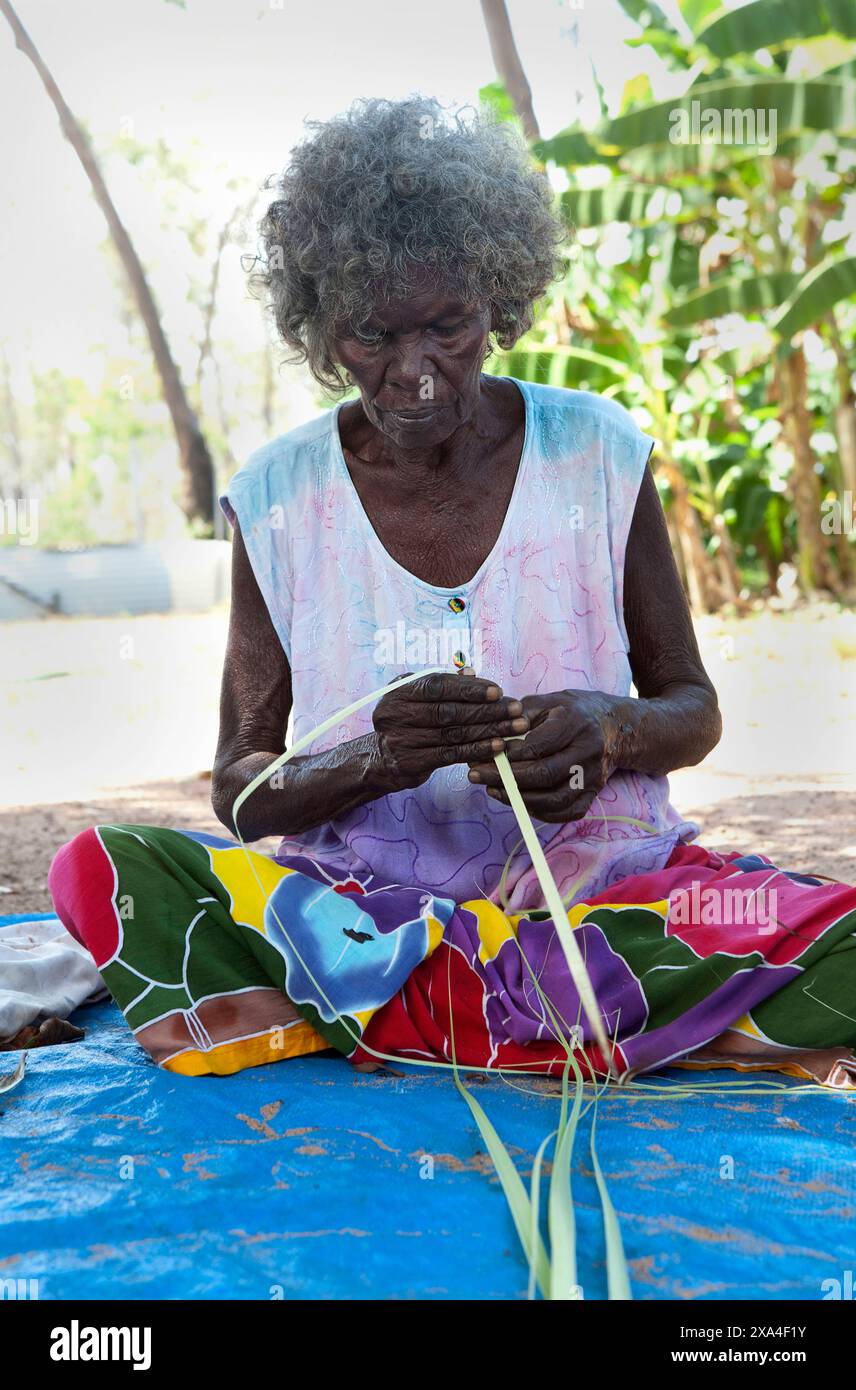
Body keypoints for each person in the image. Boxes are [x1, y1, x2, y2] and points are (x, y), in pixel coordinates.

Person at [49, 97, 856, 1087]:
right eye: (371, 335)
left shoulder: (599, 454)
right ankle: (555, 1014)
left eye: (447, 325)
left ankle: (409, 1016)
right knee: (104, 869)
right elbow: (244, 792)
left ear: (499, 305)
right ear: (320, 329)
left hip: (605, 898)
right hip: (360, 910)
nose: (415, 372)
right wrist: (374, 758)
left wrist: (607, 730)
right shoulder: (275, 498)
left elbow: (692, 710)